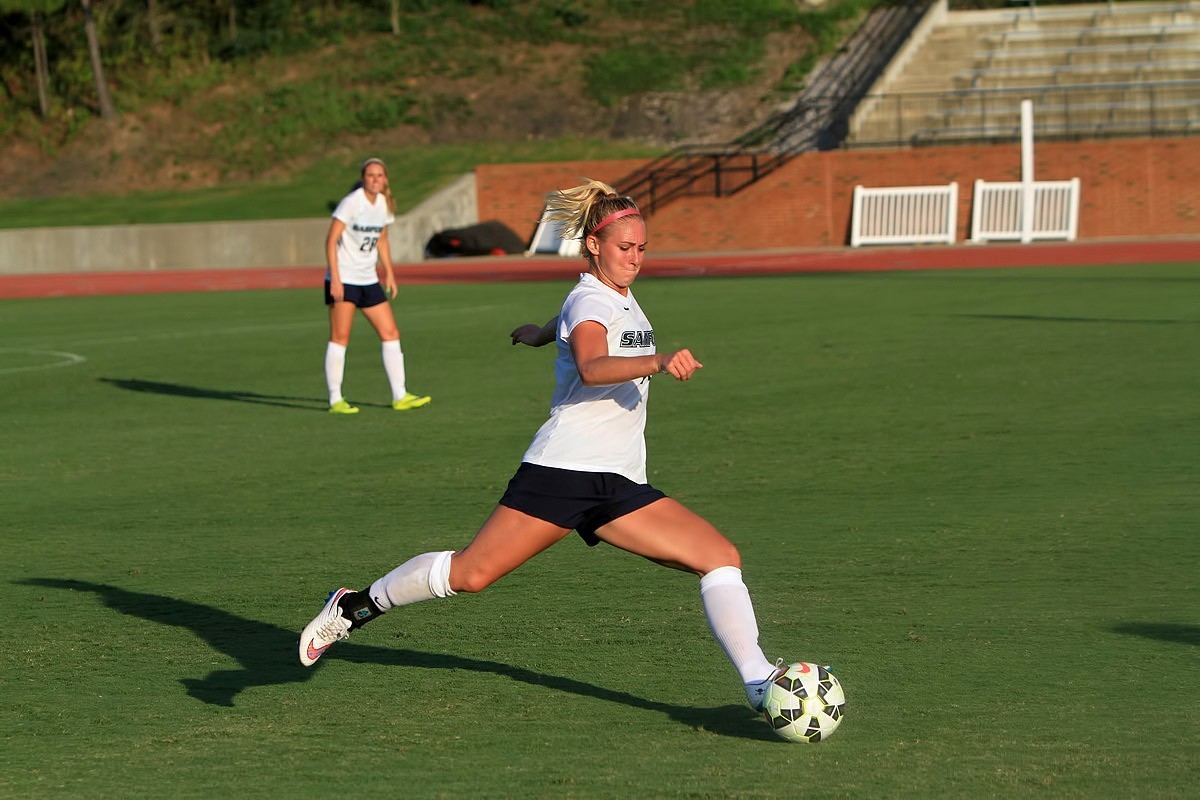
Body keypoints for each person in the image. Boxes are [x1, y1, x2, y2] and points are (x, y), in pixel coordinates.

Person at [299, 178, 786, 712]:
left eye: (642, 248)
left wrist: (542, 332)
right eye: (626, 248)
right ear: (595, 246)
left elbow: (581, 319)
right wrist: (658, 361)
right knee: (471, 574)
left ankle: (759, 679)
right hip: (563, 471)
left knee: (720, 557)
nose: (636, 258)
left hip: (618, 480)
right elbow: (593, 365)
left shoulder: (610, 294)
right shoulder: (589, 299)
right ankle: (353, 607)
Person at [323, 156, 431, 414]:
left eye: (379, 176)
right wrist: (335, 279)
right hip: (345, 278)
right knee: (340, 337)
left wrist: (389, 274)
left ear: (385, 180)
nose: (375, 180)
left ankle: (400, 395)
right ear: (363, 178)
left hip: (368, 278)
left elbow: (382, 239)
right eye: (370, 176)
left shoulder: (384, 203)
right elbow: (331, 240)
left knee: (390, 333)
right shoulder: (352, 202)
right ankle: (335, 399)